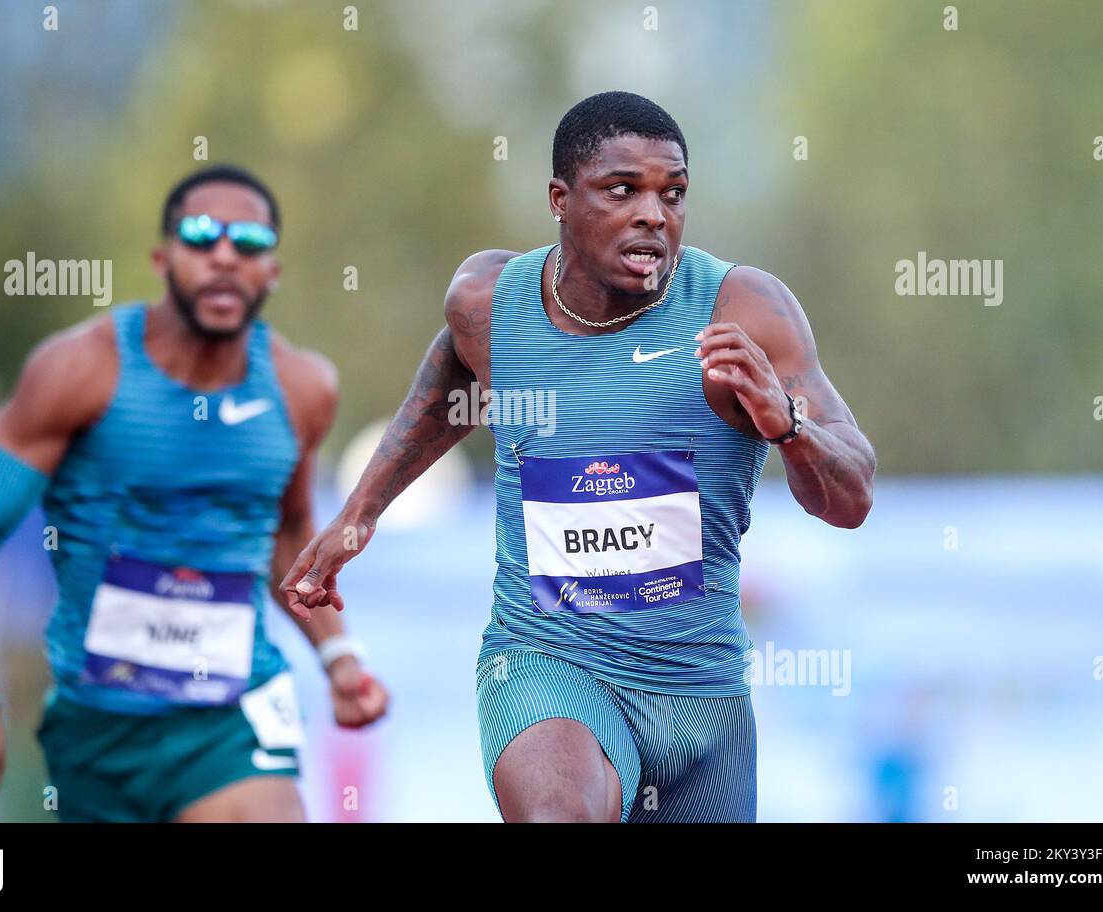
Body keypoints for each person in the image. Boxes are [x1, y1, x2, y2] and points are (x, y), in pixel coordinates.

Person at [282, 91, 875, 823]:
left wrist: (788, 425)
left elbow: (850, 500)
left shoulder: (743, 311)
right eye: (622, 190)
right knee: (559, 811)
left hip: (700, 692)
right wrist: (357, 517)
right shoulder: (489, 300)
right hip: (547, 659)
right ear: (560, 199)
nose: (654, 214)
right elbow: (445, 391)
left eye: (674, 193)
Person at [0, 164, 387, 823]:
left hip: (233, 717)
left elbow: (286, 537)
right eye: (201, 237)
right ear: (161, 258)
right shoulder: (79, 370)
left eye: (250, 243)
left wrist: (339, 656)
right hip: (99, 730)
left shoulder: (301, 388)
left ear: (273, 272)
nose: (226, 257)